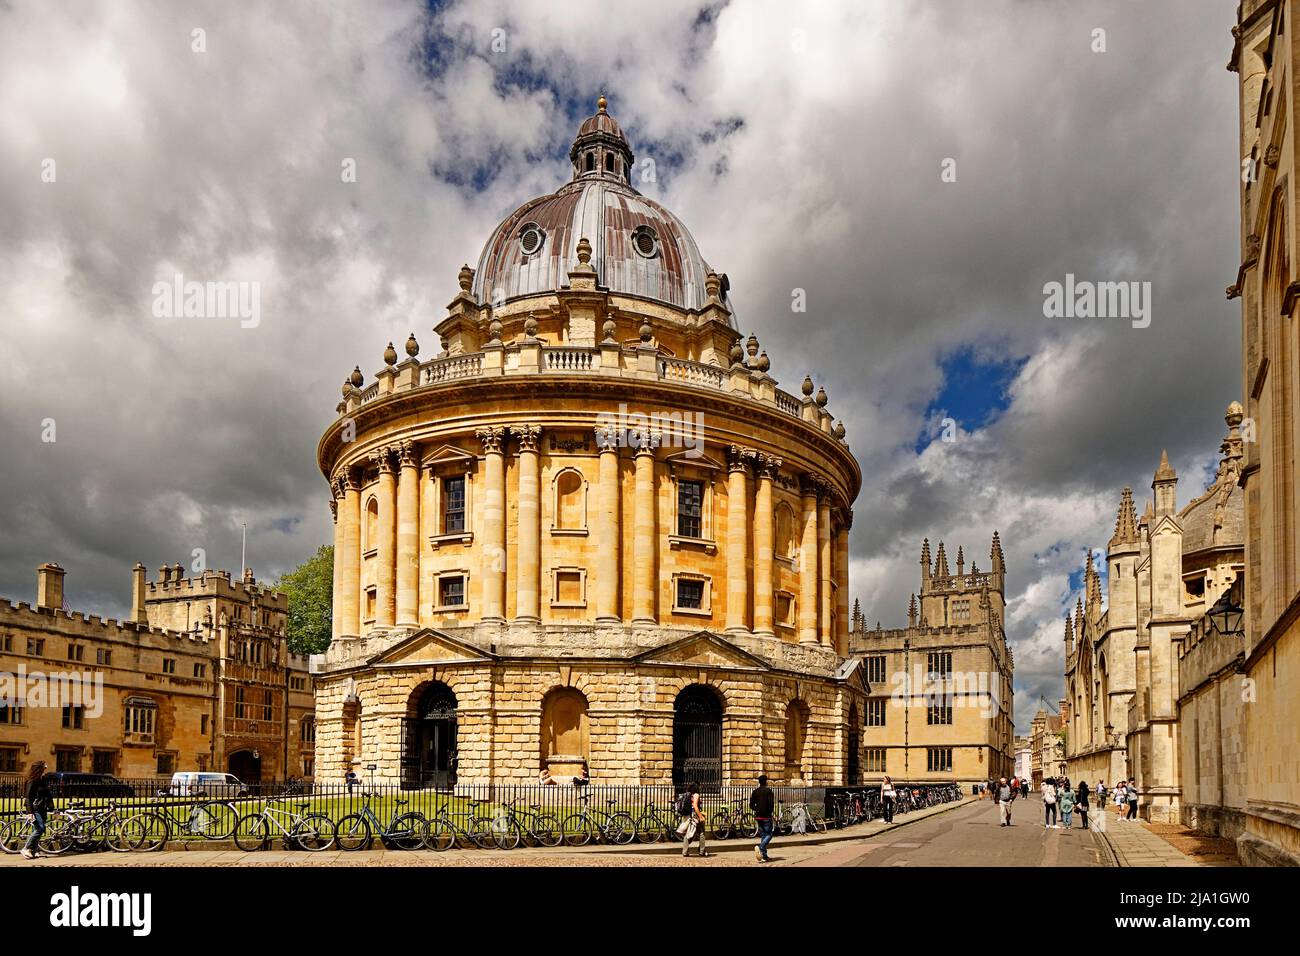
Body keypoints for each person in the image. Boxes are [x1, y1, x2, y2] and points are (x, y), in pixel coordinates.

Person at [22, 761, 52, 860]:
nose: (45, 770)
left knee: (37, 829)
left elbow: (47, 794)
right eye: (44, 768)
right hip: (35, 808)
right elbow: (28, 797)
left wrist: (52, 806)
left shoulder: (42, 779)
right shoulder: (32, 780)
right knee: (40, 828)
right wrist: (30, 812)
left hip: (43, 808)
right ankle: (26, 848)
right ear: (39, 769)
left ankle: (33, 851)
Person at [749, 774, 775, 863]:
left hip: (758, 816)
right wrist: (769, 812)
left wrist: (757, 809)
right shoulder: (768, 791)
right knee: (769, 834)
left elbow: (751, 805)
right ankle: (761, 847)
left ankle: (764, 856)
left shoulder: (755, 792)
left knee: (764, 835)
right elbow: (771, 804)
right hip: (766, 816)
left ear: (759, 782)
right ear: (766, 782)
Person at [682, 782, 708, 858]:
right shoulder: (696, 795)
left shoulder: (690, 795)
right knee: (702, 833)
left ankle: (685, 851)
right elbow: (695, 806)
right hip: (695, 816)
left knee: (689, 833)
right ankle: (702, 851)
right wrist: (700, 816)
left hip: (690, 815)